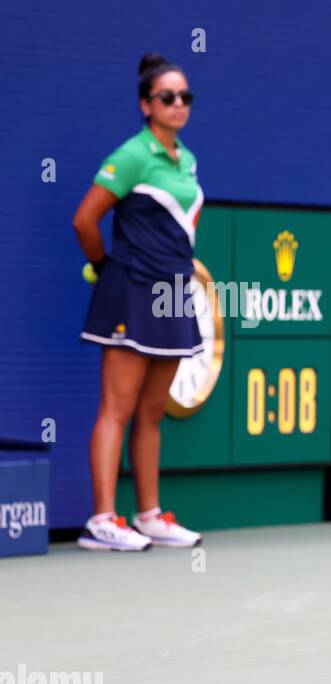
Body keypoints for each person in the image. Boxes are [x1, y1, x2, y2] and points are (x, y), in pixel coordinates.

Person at [72, 52, 205, 551]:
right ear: (146, 104)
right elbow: (85, 220)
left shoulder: (186, 159)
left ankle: (148, 515)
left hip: (173, 293)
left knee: (152, 412)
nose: (178, 104)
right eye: (167, 97)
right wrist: (107, 268)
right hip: (130, 290)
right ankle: (102, 521)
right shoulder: (131, 155)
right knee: (117, 408)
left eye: (185, 96)